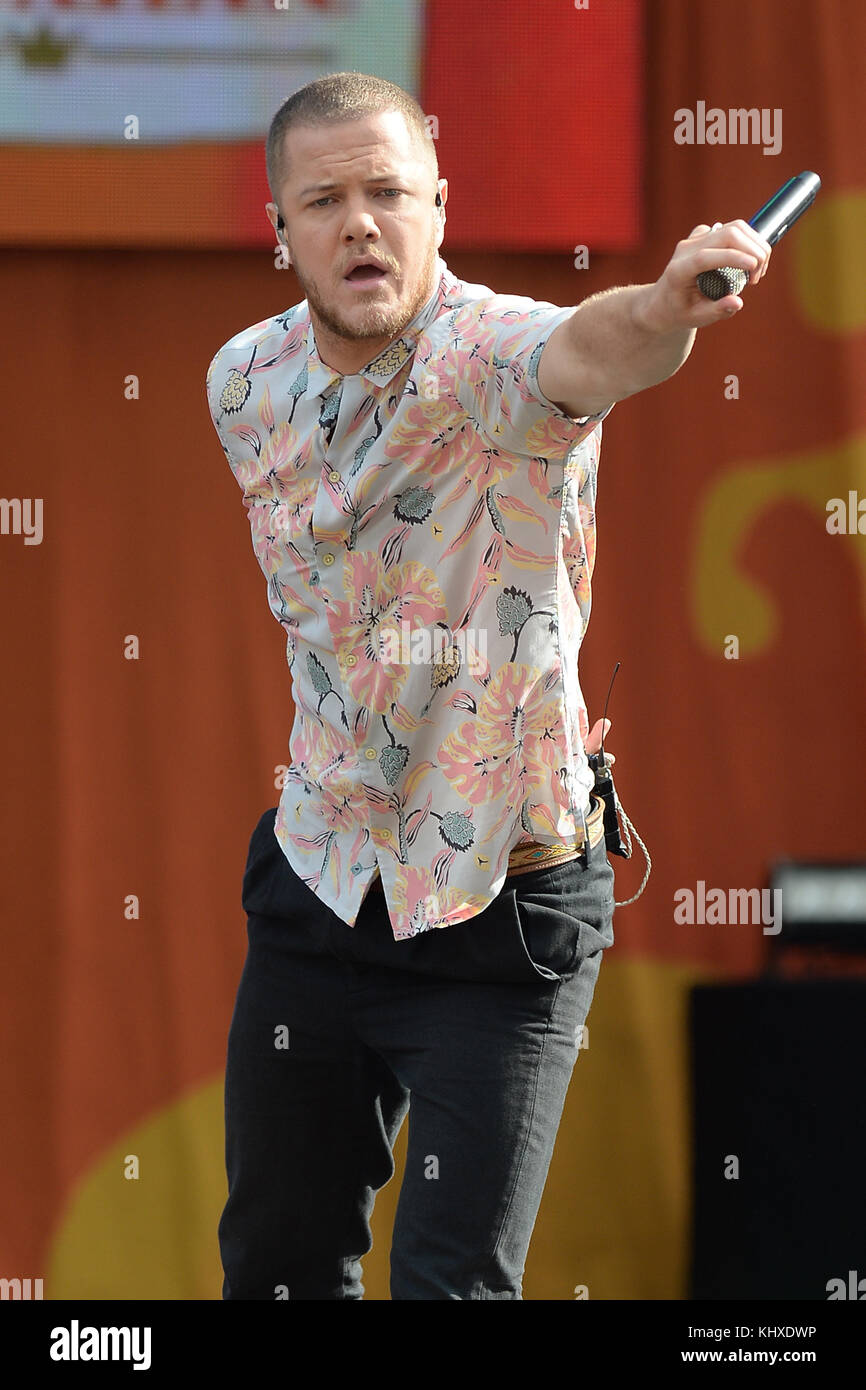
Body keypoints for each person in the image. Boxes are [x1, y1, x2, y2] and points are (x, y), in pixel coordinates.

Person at [205, 72, 771, 1300]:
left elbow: (595, 347)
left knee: (450, 1282)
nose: (361, 223)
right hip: (323, 877)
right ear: (280, 227)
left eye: (388, 192)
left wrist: (664, 304)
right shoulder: (243, 384)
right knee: (275, 1267)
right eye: (325, 201)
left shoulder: (492, 354)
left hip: (501, 902)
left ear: (439, 207)